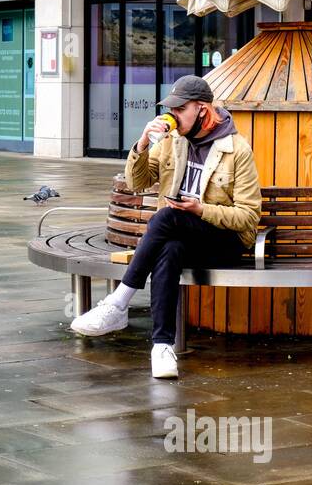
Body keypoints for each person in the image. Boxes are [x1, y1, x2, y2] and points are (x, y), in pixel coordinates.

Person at [70, 75, 262, 378]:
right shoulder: (172, 141)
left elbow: (249, 217)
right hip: (179, 235)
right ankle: (162, 347)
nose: (171, 115)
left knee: (165, 218)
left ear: (201, 109)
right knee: (169, 249)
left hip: (225, 241)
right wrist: (143, 143)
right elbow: (137, 182)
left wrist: (200, 209)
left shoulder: (236, 148)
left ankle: (119, 303)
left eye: (179, 109)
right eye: (169, 108)